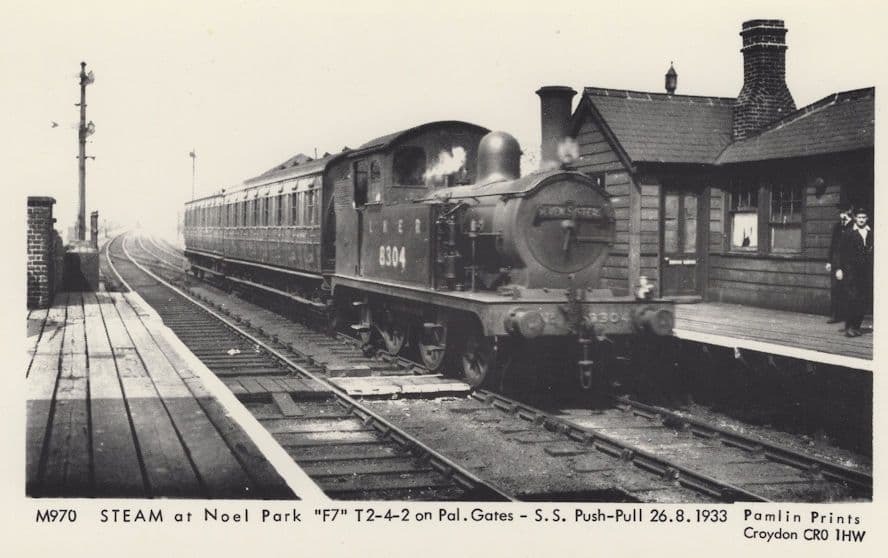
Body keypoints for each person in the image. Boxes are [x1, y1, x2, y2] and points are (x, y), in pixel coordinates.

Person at [836, 208, 873, 337]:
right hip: (851, 271)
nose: (861, 219)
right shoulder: (849, 233)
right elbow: (841, 252)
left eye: (864, 217)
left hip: (866, 272)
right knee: (852, 298)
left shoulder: (871, 233)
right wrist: (839, 268)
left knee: (863, 299)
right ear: (855, 218)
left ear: (867, 219)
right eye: (859, 217)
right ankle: (849, 327)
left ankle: (857, 326)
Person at [825, 204, 853, 323]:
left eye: (845, 212)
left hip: (848, 263)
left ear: (850, 212)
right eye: (841, 212)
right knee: (835, 288)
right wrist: (829, 261)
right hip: (836, 262)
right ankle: (835, 315)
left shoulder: (854, 226)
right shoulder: (837, 226)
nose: (842, 215)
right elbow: (833, 245)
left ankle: (849, 316)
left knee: (848, 289)